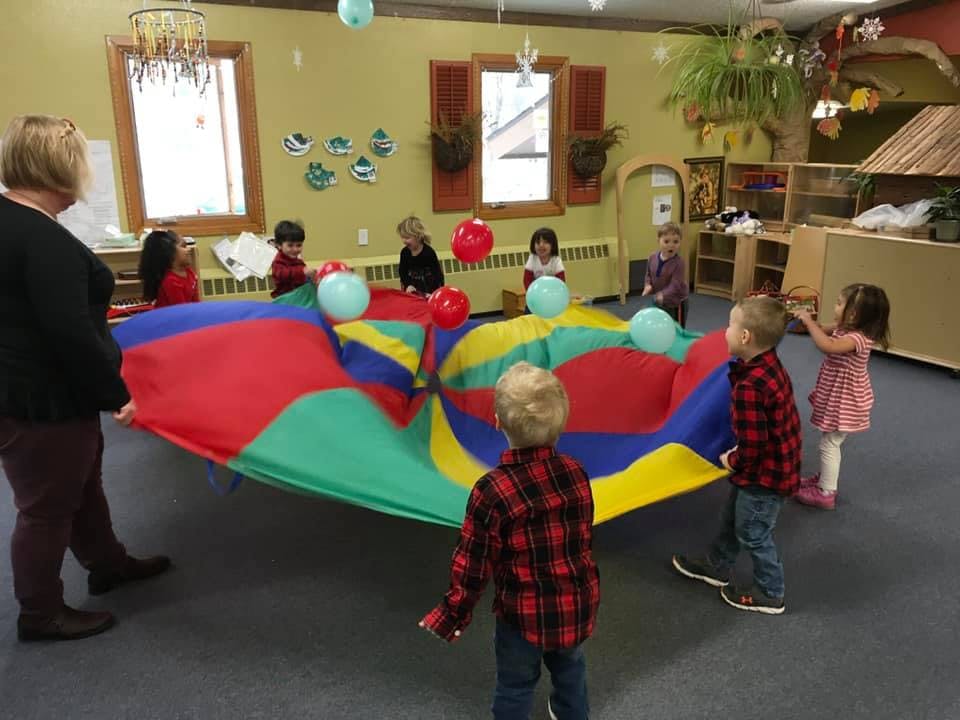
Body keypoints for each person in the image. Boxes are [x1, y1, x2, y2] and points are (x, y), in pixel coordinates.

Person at [0, 115, 170, 642]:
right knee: (46, 508)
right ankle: (40, 612)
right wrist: (116, 393)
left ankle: (108, 562)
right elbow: (69, 330)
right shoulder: (38, 237)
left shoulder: (11, 222)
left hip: (30, 394)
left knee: (80, 484)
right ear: (58, 168)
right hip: (43, 401)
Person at [420, 362, 599, 720]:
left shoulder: (492, 491)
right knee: (571, 669)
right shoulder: (576, 471)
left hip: (523, 615)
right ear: (561, 424)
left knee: (516, 684)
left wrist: (453, 613)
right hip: (575, 604)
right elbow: (581, 532)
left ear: (498, 422)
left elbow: (472, 563)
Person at [671, 296, 801, 614]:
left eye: (730, 325)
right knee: (732, 516)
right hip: (771, 465)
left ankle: (772, 592)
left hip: (766, 475)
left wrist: (734, 460)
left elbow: (755, 446)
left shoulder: (750, 387)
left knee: (753, 532)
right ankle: (717, 564)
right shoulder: (765, 364)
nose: (724, 331)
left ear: (745, 337)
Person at [792, 284, 891, 510]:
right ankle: (826, 479)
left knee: (830, 443)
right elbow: (822, 330)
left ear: (854, 314)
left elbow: (827, 345)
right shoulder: (844, 327)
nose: (834, 307)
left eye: (838, 303)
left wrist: (808, 322)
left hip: (846, 400)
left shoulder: (857, 338)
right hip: (838, 396)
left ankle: (826, 492)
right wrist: (808, 323)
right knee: (830, 439)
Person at [642, 222, 689, 328]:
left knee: (676, 327)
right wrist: (648, 285)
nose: (671, 245)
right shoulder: (652, 257)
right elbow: (648, 274)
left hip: (677, 302)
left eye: (676, 242)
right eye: (666, 241)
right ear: (659, 240)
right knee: (661, 325)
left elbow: (675, 285)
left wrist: (662, 294)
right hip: (660, 300)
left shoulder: (679, 263)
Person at [138, 230, 199, 308]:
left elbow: (196, 304)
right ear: (169, 253)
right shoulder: (171, 281)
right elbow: (182, 312)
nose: (188, 250)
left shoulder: (189, 272)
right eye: (183, 246)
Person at [397, 215, 444, 296]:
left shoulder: (429, 253)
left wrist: (435, 293)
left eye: (407, 237)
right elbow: (402, 272)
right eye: (402, 237)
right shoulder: (405, 253)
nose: (404, 241)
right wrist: (408, 285)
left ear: (418, 236)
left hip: (429, 293)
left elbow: (438, 276)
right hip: (412, 293)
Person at [271, 220, 315, 298]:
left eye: (299, 245)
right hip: (284, 300)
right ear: (279, 245)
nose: (295, 249)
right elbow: (282, 274)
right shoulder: (278, 262)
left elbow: (303, 278)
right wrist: (303, 271)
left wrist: (312, 277)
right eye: (290, 245)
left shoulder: (299, 262)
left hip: (297, 297)